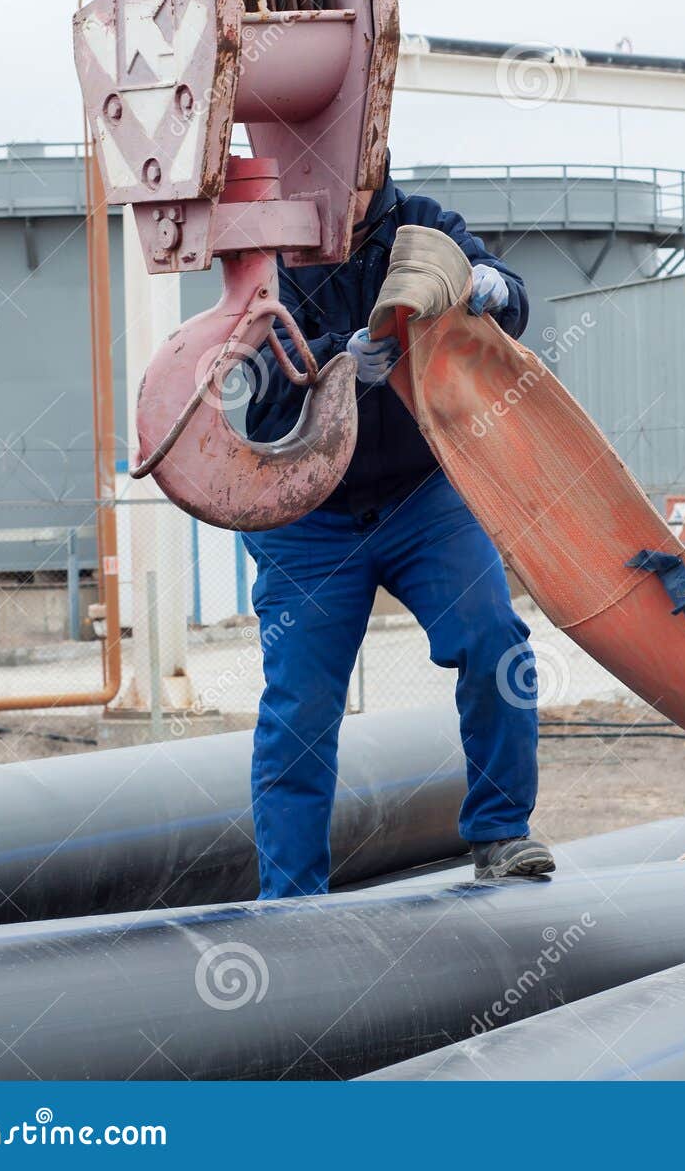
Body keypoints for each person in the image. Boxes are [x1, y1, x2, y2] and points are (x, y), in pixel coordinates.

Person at [243, 166, 554, 893]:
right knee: (300, 709)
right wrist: (334, 365)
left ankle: (501, 834)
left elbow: (510, 300)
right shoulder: (269, 256)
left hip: (423, 497)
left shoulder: (421, 223)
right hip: (308, 514)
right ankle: (291, 902)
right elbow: (255, 392)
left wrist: (495, 288)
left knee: (494, 640)